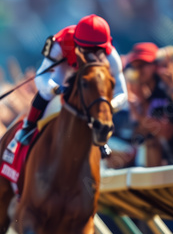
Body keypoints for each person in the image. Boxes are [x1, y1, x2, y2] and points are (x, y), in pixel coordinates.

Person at [13, 15, 128, 151]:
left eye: (97, 52)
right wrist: (54, 88)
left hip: (89, 74)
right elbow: (41, 77)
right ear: (76, 44)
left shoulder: (111, 55)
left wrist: (109, 105)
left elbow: (122, 93)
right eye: (87, 51)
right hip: (66, 65)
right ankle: (29, 127)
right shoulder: (59, 44)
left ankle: (101, 139)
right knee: (47, 94)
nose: (92, 57)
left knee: (98, 96)